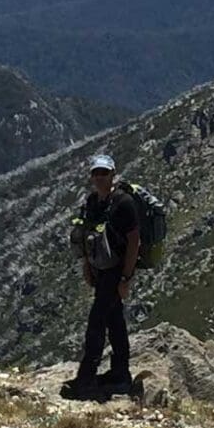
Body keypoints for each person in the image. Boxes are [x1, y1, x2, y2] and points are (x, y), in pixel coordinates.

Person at [62, 153, 140, 399]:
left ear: (113, 174)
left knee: (97, 321)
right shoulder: (92, 202)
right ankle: (120, 373)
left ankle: (86, 378)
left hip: (116, 270)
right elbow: (87, 235)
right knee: (114, 320)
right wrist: (87, 265)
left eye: (104, 173)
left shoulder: (124, 203)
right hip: (100, 269)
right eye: (95, 173)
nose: (99, 177)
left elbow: (134, 242)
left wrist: (126, 278)